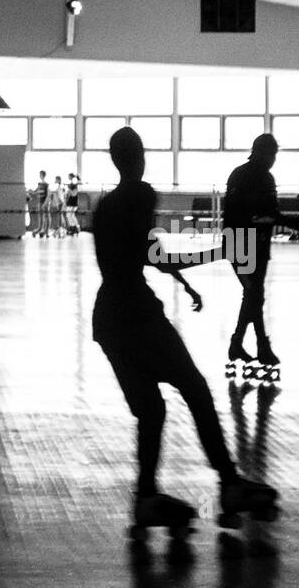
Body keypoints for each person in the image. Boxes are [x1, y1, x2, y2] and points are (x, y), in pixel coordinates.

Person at [92, 127, 276, 532]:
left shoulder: (103, 209)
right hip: (138, 314)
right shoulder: (140, 195)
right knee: (194, 388)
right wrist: (216, 252)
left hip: (108, 321)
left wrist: (184, 281)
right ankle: (229, 483)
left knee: (151, 410)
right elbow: (151, 253)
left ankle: (145, 497)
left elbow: (135, 255)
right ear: (136, 157)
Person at [223, 134, 293, 374]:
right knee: (254, 294)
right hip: (245, 245)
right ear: (261, 153)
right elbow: (246, 213)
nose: (273, 160)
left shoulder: (245, 175)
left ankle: (238, 345)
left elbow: (265, 212)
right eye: (271, 155)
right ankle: (261, 346)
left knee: (253, 295)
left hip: (253, 246)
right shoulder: (253, 177)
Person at [33, 170, 50, 237]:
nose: (40, 176)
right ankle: (40, 229)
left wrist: (45, 203)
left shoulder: (46, 184)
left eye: (40, 174)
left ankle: (46, 231)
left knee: (46, 216)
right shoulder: (39, 184)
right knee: (40, 216)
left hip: (45, 202)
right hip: (40, 202)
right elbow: (36, 191)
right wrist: (30, 191)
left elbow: (48, 194)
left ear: (43, 175)